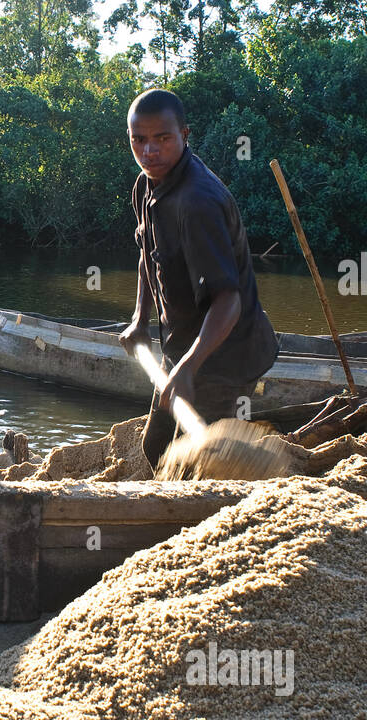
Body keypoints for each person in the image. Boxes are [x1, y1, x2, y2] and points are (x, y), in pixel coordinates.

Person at [117, 89, 279, 474]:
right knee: (157, 446)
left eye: (163, 139)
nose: (149, 152)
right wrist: (140, 319)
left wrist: (189, 367)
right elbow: (147, 254)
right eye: (139, 140)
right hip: (183, 345)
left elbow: (228, 302)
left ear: (185, 134)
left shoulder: (197, 203)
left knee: (203, 466)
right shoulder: (146, 185)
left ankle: (217, 519)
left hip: (226, 354)